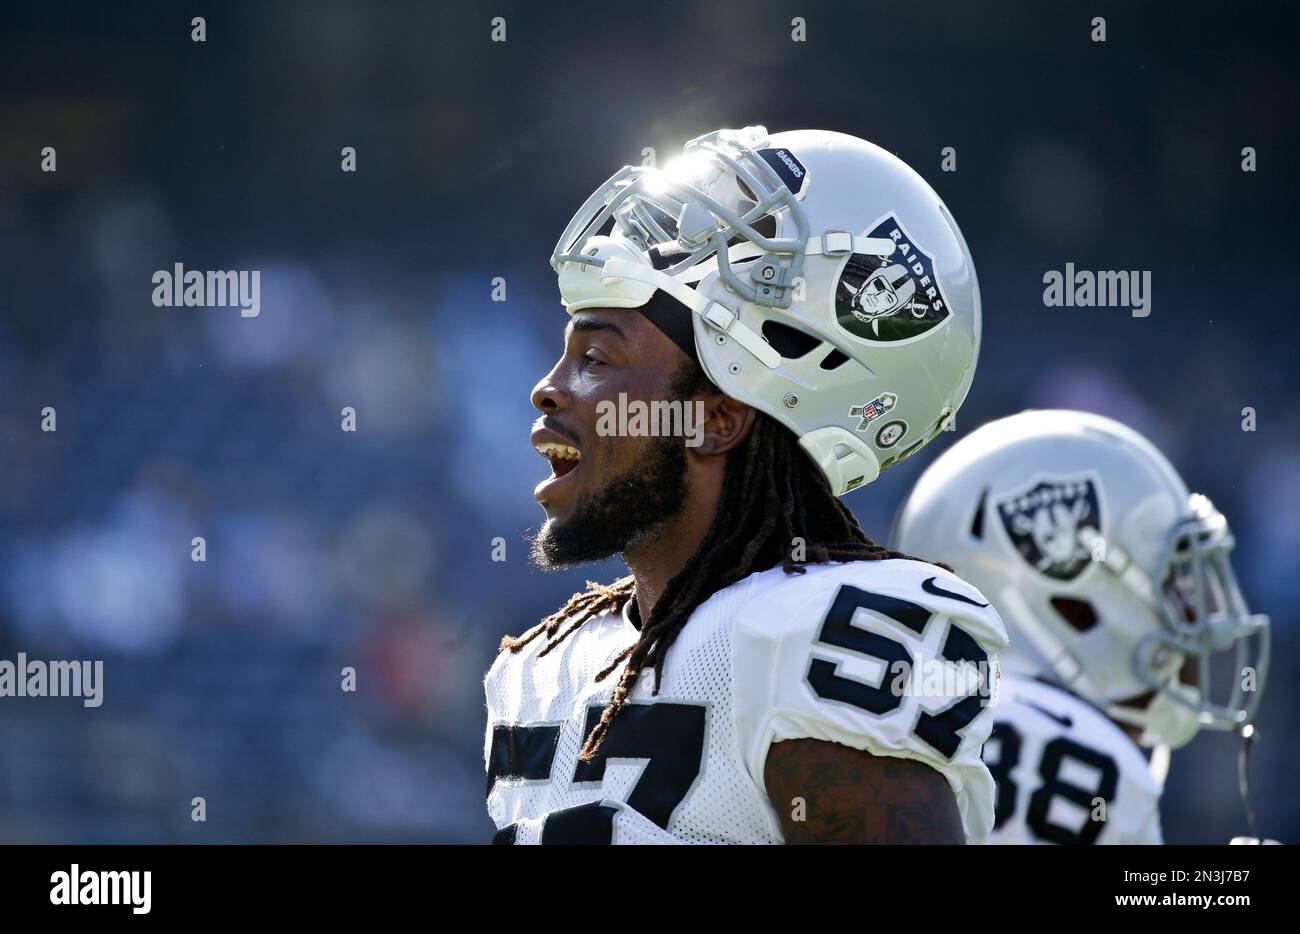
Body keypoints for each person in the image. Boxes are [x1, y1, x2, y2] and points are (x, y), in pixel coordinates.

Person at [483, 125, 1006, 844]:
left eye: (597, 357)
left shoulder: (811, 638)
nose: (547, 389)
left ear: (718, 418)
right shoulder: (543, 669)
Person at [892, 409, 1270, 843]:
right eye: (1172, 582)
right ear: (1072, 607)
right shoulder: (1063, 748)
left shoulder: (927, 720)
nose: (1201, 612)